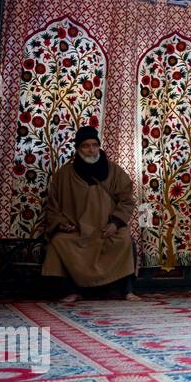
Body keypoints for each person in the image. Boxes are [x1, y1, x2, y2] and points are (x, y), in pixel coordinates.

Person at [43, 125, 139, 302]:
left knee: (125, 240)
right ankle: (70, 290)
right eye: (86, 146)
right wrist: (61, 223)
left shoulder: (114, 171)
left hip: (106, 229)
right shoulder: (64, 175)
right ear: (78, 148)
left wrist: (115, 223)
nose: (91, 150)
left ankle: (128, 290)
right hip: (78, 232)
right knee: (58, 242)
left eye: (95, 145)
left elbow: (127, 201)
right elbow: (52, 208)